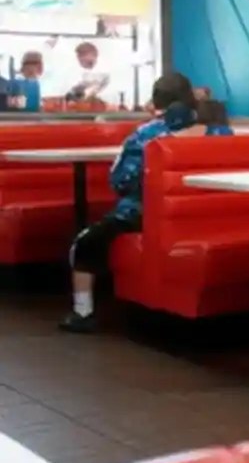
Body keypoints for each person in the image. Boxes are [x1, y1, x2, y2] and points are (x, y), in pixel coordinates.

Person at [59, 73, 205, 334]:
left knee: (84, 243)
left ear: (156, 99)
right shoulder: (217, 130)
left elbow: (120, 181)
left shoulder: (146, 134)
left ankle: (83, 312)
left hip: (142, 215)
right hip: (201, 216)